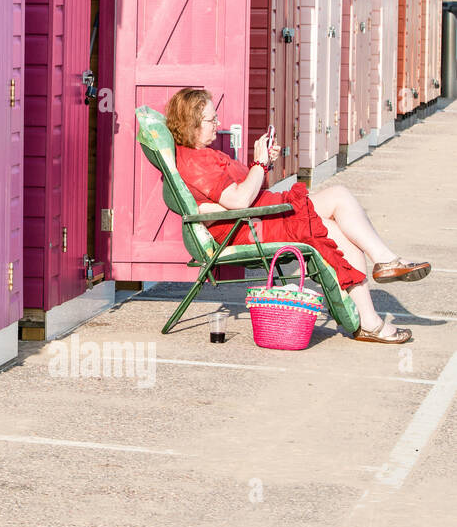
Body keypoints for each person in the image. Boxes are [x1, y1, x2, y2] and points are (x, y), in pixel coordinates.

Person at [164, 87, 429, 345]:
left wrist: (264, 162)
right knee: (338, 196)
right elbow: (240, 200)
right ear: (192, 123)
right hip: (252, 226)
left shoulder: (203, 154)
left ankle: (370, 319)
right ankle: (385, 262)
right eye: (212, 119)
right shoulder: (196, 162)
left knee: (337, 230)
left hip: (259, 217)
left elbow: (240, 192)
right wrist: (257, 163)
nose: (218, 123)